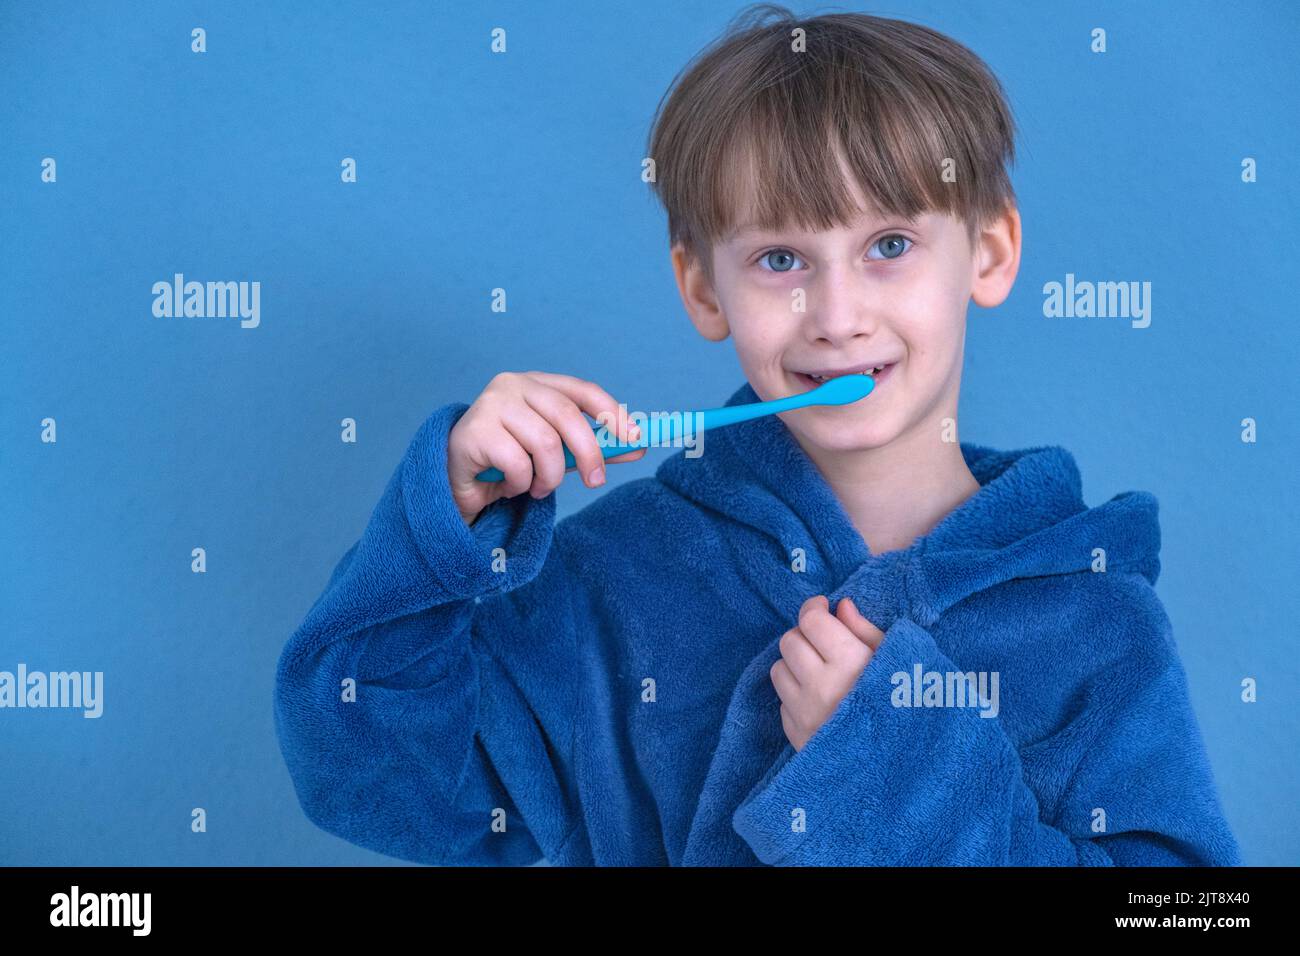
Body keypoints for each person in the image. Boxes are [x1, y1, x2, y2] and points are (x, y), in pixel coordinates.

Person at [273, 5, 1240, 866]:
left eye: (889, 246)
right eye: (782, 258)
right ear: (702, 287)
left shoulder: (1095, 619)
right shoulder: (609, 581)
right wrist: (445, 524)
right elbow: (373, 778)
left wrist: (890, 763)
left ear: (988, 252)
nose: (838, 314)